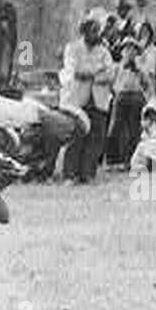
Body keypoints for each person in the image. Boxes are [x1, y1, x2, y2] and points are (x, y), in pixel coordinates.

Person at [59, 9, 115, 183]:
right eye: (92, 30)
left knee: (96, 138)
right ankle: (70, 174)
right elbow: (74, 71)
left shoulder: (104, 51)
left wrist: (91, 74)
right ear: (84, 31)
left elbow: (111, 73)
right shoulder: (73, 49)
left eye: (98, 30)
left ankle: (88, 174)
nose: (96, 34)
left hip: (98, 100)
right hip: (77, 100)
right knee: (77, 136)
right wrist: (97, 71)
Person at [107, 36, 147, 168]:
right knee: (115, 128)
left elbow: (146, 84)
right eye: (127, 48)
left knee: (134, 130)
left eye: (132, 49)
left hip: (136, 97)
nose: (129, 52)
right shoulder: (117, 67)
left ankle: (131, 160)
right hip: (121, 96)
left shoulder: (140, 68)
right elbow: (111, 82)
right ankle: (113, 160)